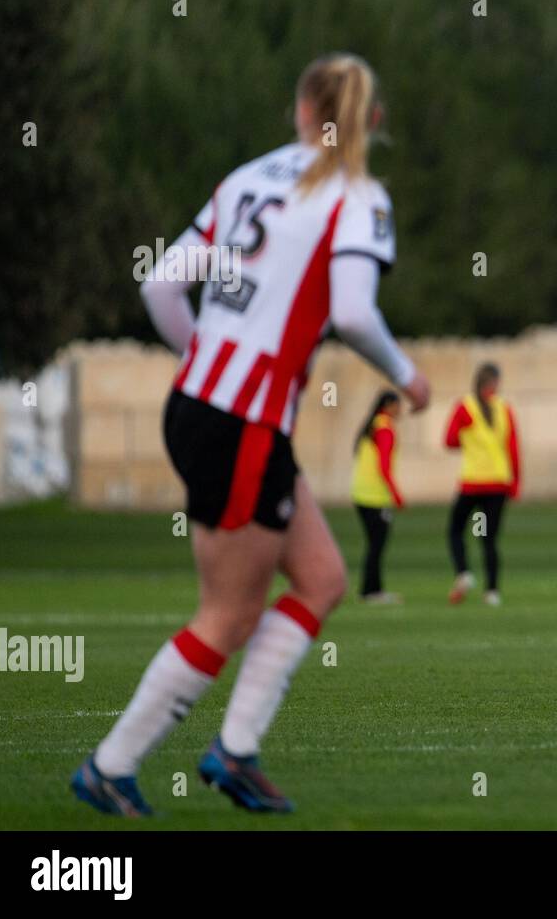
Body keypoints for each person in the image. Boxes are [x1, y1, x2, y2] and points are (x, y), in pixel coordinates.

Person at [71, 53, 430, 817]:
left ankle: (235, 752)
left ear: (302, 109)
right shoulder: (357, 194)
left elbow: (159, 285)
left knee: (323, 578)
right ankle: (112, 765)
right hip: (244, 422)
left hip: (207, 406)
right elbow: (357, 313)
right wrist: (410, 374)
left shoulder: (245, 178)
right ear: (370, 120)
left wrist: (206, 360)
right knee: (229, 613)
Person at [444, 363, 520, 607]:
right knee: (489, 539)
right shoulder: (504, 408)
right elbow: (513, 448)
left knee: (455, 530)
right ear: (495, 383)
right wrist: (516, 483)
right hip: (498, 482)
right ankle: (492, 591)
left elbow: (449, 440)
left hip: (473, 482)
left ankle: (464, 573)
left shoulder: (465, 407)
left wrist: (470, 443)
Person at [351, 389, 404, 604]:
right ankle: (371, 591)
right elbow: (384, 466)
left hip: (361, 493)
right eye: (397, 405)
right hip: (374, 496)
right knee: (377, 544)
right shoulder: (385, 429)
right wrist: (396, 494)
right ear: (389, 405)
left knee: (374, 543)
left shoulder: (372, 425)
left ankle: (371, 589)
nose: (400, 410)